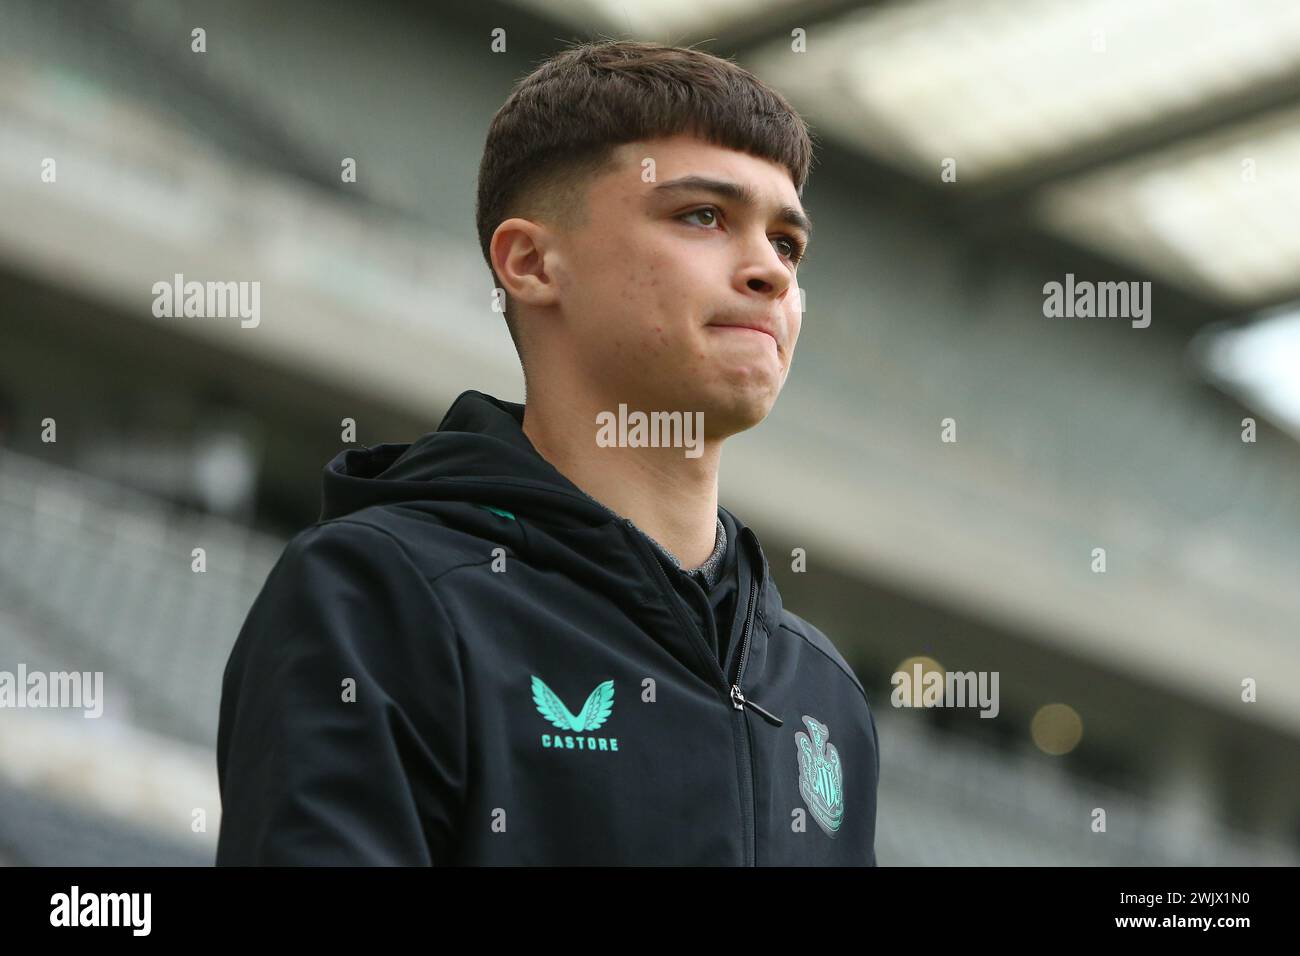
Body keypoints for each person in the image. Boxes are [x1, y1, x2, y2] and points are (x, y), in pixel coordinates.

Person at [216, 39, 879, 866]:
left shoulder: (823, 695)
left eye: (787, 243)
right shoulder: (378, 596)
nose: (771, 273)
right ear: (530, 263)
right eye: (702, 216)